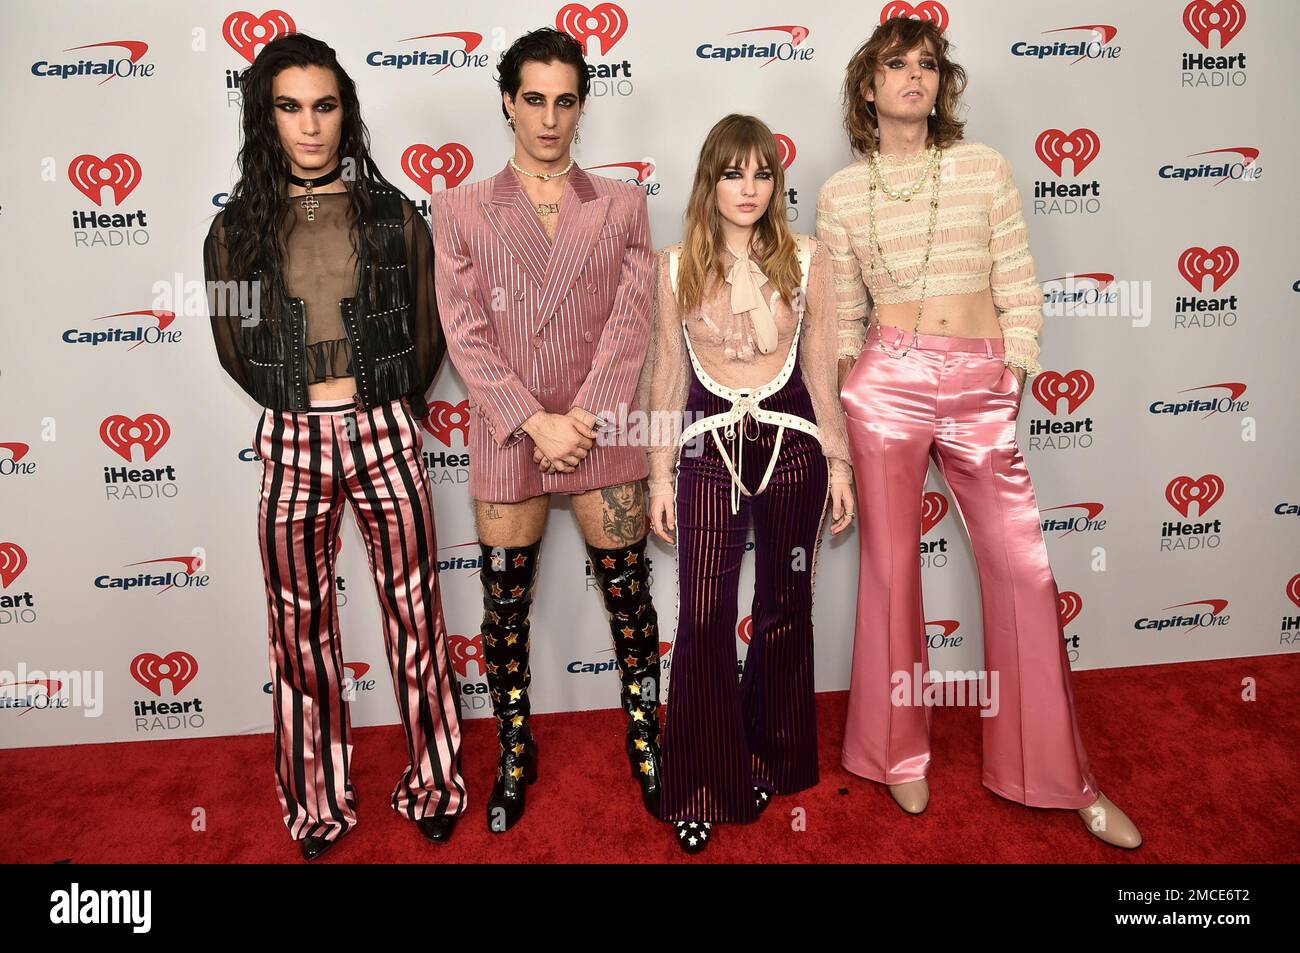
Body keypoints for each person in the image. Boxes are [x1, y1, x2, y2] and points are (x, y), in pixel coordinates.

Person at [816, 17, 1140, 848]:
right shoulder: (841, 192)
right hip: (884, 383)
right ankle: (896, 754)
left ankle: (1059, 775)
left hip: (978, 379)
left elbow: (1019, 278)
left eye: (927, 64)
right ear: (869, 86)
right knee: (891, 575)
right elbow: (841, 316)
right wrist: (847, 409)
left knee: (1024, 570)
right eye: (897, 65)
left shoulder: (983, 167)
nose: (913, 77)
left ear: (941, 83)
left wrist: (1014, 366)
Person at [204, 33, 465, 861]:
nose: (310, 126)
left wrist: (375, 398)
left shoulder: (393, 216)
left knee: (416, 612)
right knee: (298, 624)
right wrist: (302, 403)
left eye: (324, 106)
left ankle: (435, 781)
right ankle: (317, 803)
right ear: (265, 116)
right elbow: (235, 347)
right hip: (288, 439)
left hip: (386, 428)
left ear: (345, 113)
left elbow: (429, 336)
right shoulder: (232, 230)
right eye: (290, 107)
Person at [430, 27, 660, 833]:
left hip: (604, 429)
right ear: (507, 101)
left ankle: (647, 739)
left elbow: (632, 323)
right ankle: (515, 751)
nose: (550, 118)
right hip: (508, 429)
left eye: (566, 100)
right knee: (503, 606)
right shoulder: (458, 207)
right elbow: (464, 330)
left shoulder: (624, 204)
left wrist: (580, 421)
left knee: (629, 596)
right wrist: (534, 420)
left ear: (583, 105)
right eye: (534, 99)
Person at [646, 115, 855, 854]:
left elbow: (824, 371)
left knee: (784, 605)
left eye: (762, 172)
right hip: (707, 450)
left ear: (776, 181)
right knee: (703, 614)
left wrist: (839, 463)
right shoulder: (674, 265)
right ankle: (702, 780)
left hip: (794, 448)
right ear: (711, 179)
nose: (749, 187)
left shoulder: (808, 259)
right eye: (734, 172)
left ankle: (770, 757)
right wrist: (659, 474)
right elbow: (667, 377)